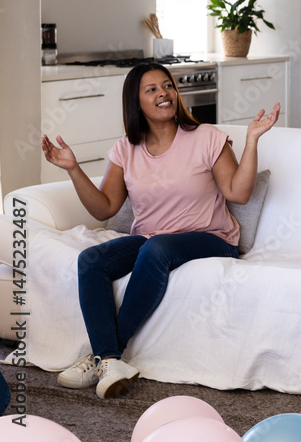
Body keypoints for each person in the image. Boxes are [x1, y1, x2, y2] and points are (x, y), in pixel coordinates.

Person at [41, 62, 279, 399]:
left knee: (157, 248)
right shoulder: (125, 149)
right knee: (92, 260)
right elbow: (104, 208)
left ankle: (102, 357)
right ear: (136, 103)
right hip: (153, 240)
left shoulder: (207, 138)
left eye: (167, 85)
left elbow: (238, 193)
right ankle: (110, 361)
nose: (164, 93)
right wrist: (73, 169)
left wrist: (252, 140)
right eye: (151, 89)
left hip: (212, 238)